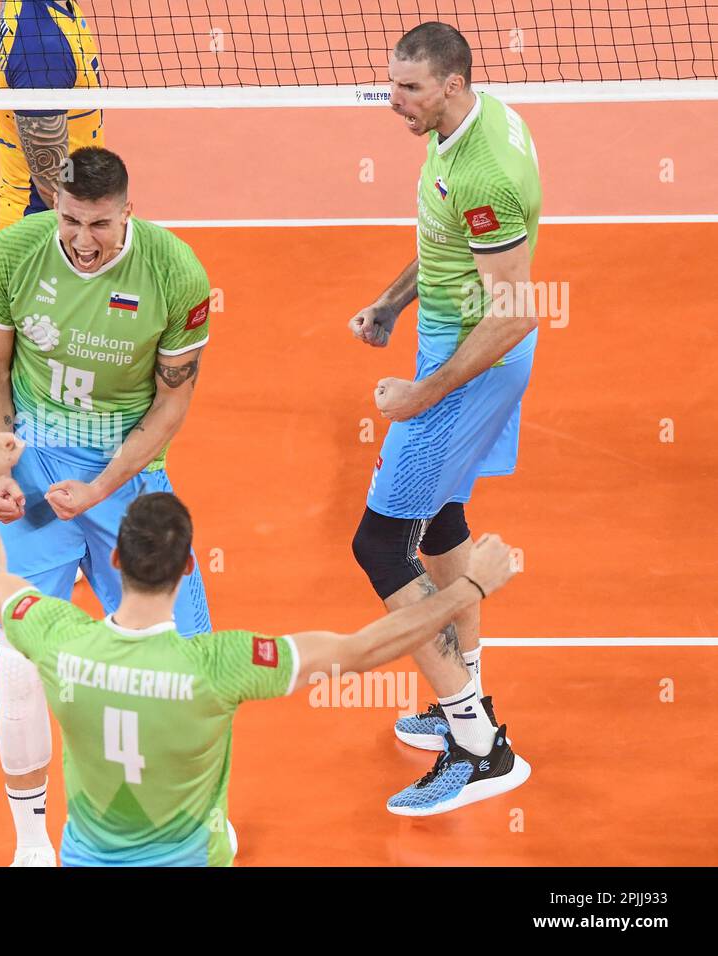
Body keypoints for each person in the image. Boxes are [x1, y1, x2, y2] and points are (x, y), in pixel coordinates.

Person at [0, 431, 520, 864]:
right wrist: (470, 588)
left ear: (112, 561)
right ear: (186, 568)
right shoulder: (221, 665)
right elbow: (365, 648)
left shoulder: (63, 642)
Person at [0, 146, 214, 864]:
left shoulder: (176, 274)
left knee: (181, 666)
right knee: (16, 661)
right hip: (35, 463)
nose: (82, 239)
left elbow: (171, 407)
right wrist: (0, 460)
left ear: (127, 212)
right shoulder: (13, 253)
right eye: (71, 220)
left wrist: (103, 488)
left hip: (126, 475)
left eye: (100, 224)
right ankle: (31, 845)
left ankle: (196, 819)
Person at [347, 21, 540, 813]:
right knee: (445, 521)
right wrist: (393, 303)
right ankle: (467, 701)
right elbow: (445, 240)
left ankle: (479, 748)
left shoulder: (485, 170)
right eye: (392, 85)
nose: (395, 102)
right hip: (450, 348)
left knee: (382, 544)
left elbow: (517, 310)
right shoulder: (461, 126)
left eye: (410, 89)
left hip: (469, 368)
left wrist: (423, 394)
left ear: (452, 84)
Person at [0, 1, 104, 229]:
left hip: (66, 214)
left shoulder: (54, 9)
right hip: (44, 228)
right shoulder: (42, 45)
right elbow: (50, 177)